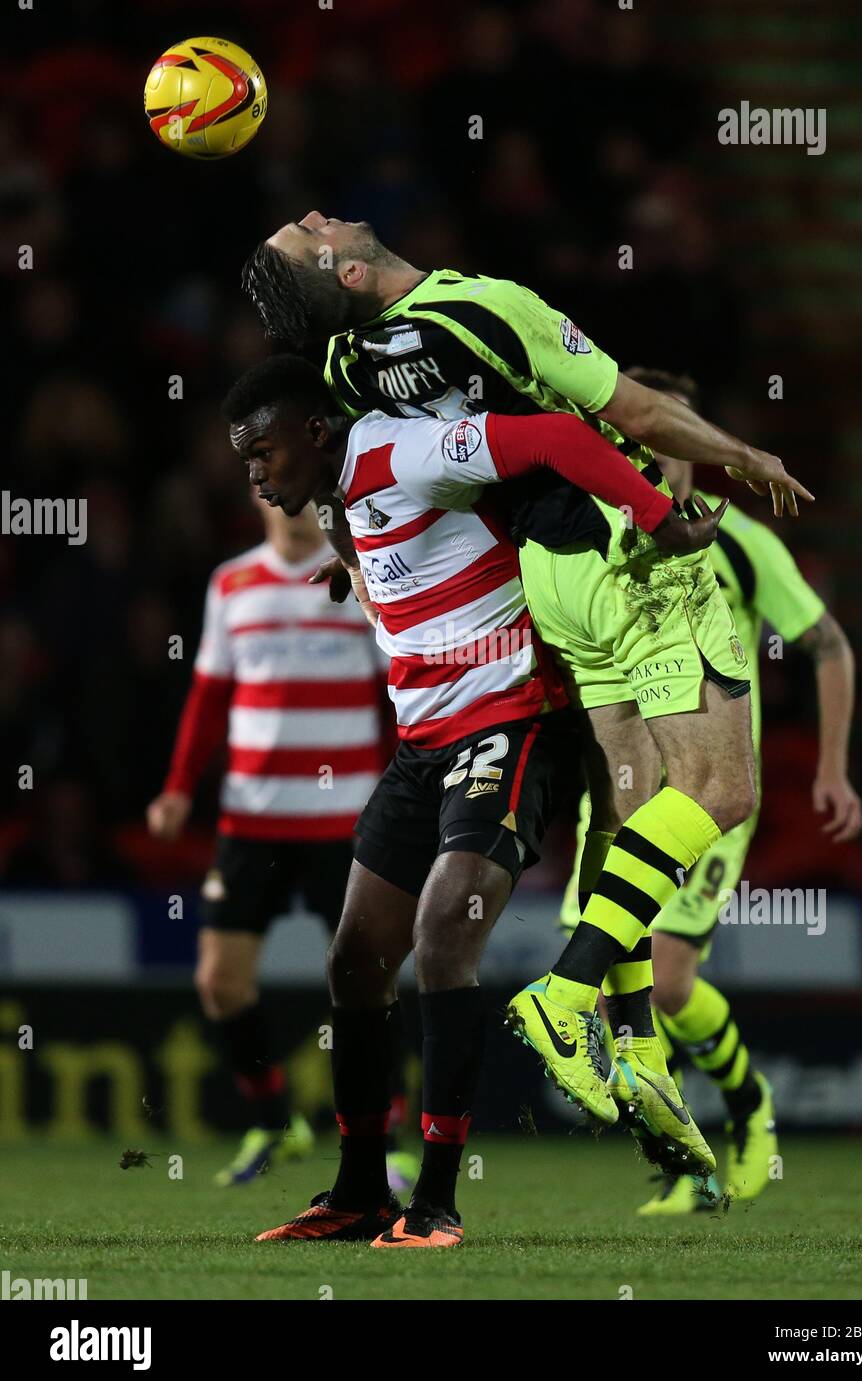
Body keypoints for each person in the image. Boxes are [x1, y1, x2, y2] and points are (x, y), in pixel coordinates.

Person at [240, 213, 813, 1168]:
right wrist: (738, 458)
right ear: (344, 268)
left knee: (631, 814)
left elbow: (355, 484)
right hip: (617, 547)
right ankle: (568, 992)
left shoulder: (344, 372)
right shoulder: (479, 309)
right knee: (720, 790)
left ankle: (634, 1051)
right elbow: (625, 411)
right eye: (309, 232)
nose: (316, 215)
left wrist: (357, 564)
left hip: (543, 585)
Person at [221, 353, 725, 1247]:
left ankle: (437, 1204)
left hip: (512, 724)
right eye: (243, 459)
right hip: (423, 746)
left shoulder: (407, 450)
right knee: (354, 960)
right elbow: (374, 535)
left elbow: (556, 438)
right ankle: (357, 1192)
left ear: (315, 431)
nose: (255, 473)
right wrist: (353, 568)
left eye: (263, 451)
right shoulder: (339, 497)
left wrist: (654, 514)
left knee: (443, 937)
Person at [560, 367, 862, 1212]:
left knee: (657, 979)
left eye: (671, 435)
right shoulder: (593, 533)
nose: (659, 452)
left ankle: (744, 1106)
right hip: (619, 789)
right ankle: (688, 1162)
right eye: (641, 436)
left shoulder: (743, 545)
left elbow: (829, 646)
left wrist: (832, 768)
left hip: (703, 796)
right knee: (629, 992)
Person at [147, 493, 409, 1187]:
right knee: (219, 982)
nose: (291, 506)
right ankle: (274, 1124)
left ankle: (394, 1139)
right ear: (256, 497)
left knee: (368, 980)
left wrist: (403, 795)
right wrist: (177, 787)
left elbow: (395, 695)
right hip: (250, 819)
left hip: (346, 819)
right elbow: (208, 694)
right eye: (274, 491)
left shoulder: (361, 578)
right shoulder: (232, 583)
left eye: (307, 496)